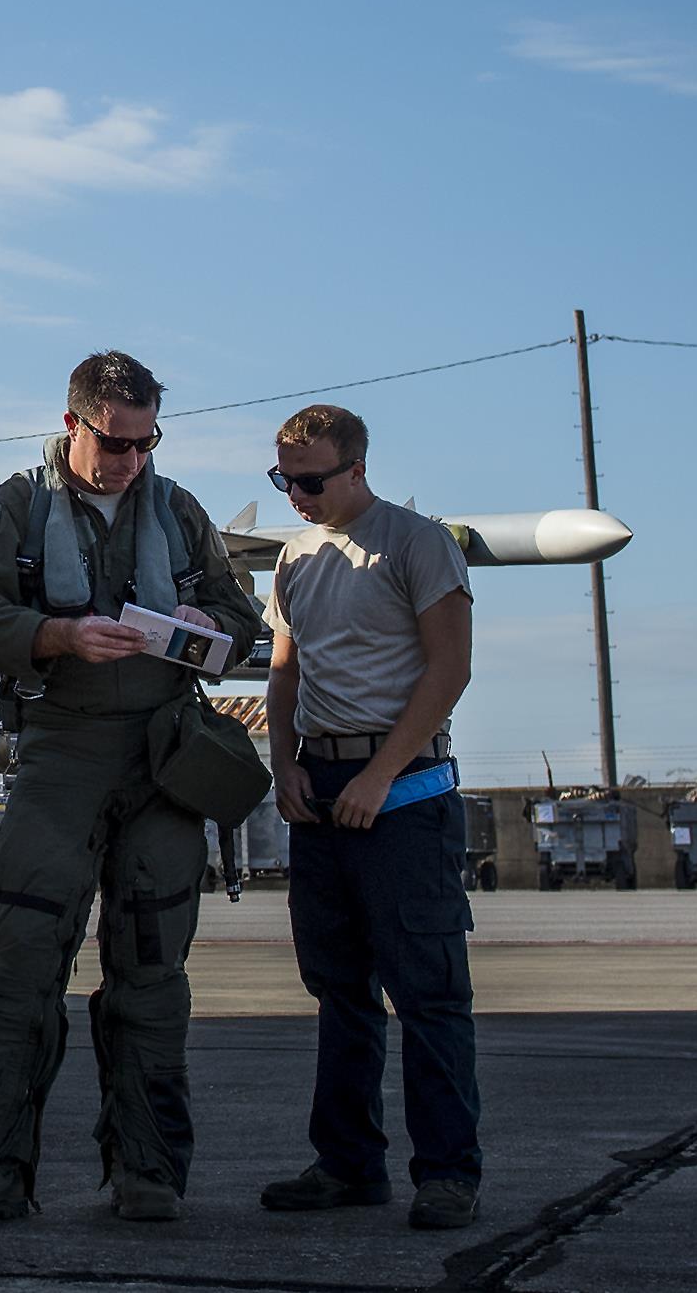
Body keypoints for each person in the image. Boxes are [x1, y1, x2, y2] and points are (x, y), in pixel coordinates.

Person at [0, 350, 264, 1229]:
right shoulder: (14, 507)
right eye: (116, 444)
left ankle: (148, 1172)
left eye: (146, 443)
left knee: (153, 971)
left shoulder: (179, 511)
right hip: (62, 750)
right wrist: (60, 636)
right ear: (74, 423)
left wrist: (204, 627)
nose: (130, 462)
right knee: (22, 965)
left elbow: (242, 622)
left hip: (163, 756)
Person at [257, 403, 482, 1231]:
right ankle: (348, 1165)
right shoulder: (295, 556)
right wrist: (284, 766)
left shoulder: (418, 543)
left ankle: (449, 1174)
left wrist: (381, 776)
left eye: (311, 480)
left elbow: (450, 669)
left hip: (406, 797)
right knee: (339, 991)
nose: (297, 495)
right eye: (284, 479)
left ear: (357, 468)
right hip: (320, 789)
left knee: (428, 995)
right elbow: (285, 674)